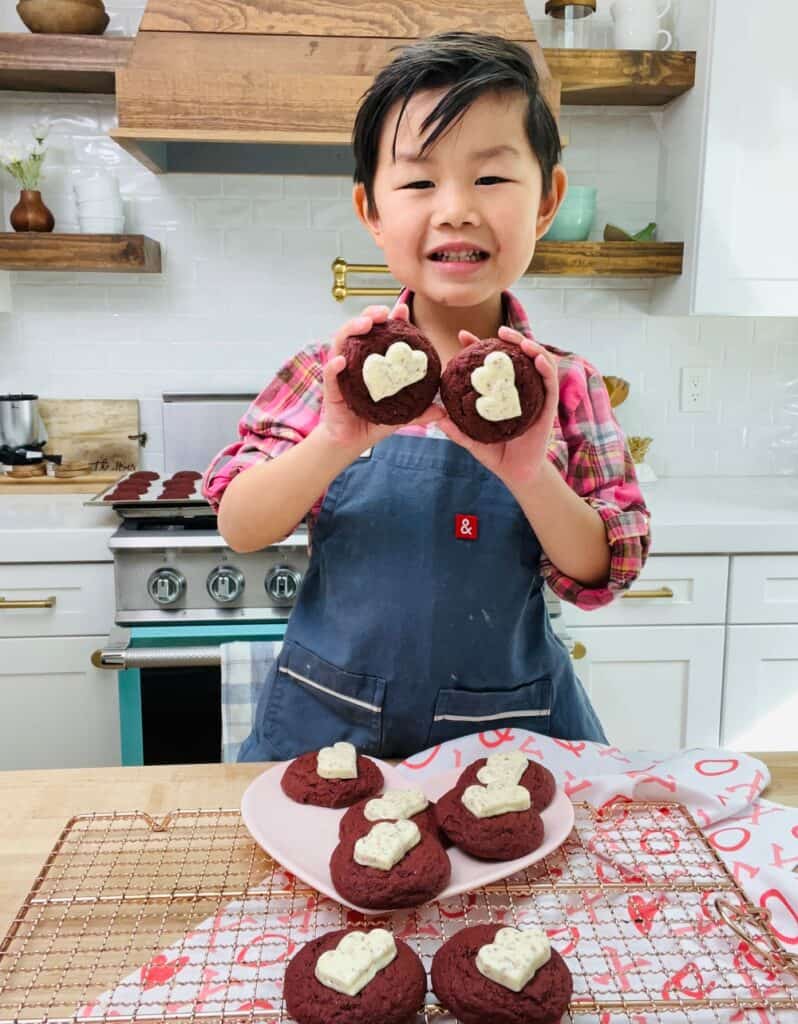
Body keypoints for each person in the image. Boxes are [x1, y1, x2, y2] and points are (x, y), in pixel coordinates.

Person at [202, 31, 651, 762]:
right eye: (418, 183)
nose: (455, 210)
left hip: (510, 738)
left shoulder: (568, 385)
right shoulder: (328, 372)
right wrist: (336, 441)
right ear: (371, 210)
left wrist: (529, 473)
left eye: (492, 179)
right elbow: (241, 525)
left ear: (548, 201)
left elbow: (606, 569)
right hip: (329, 732)